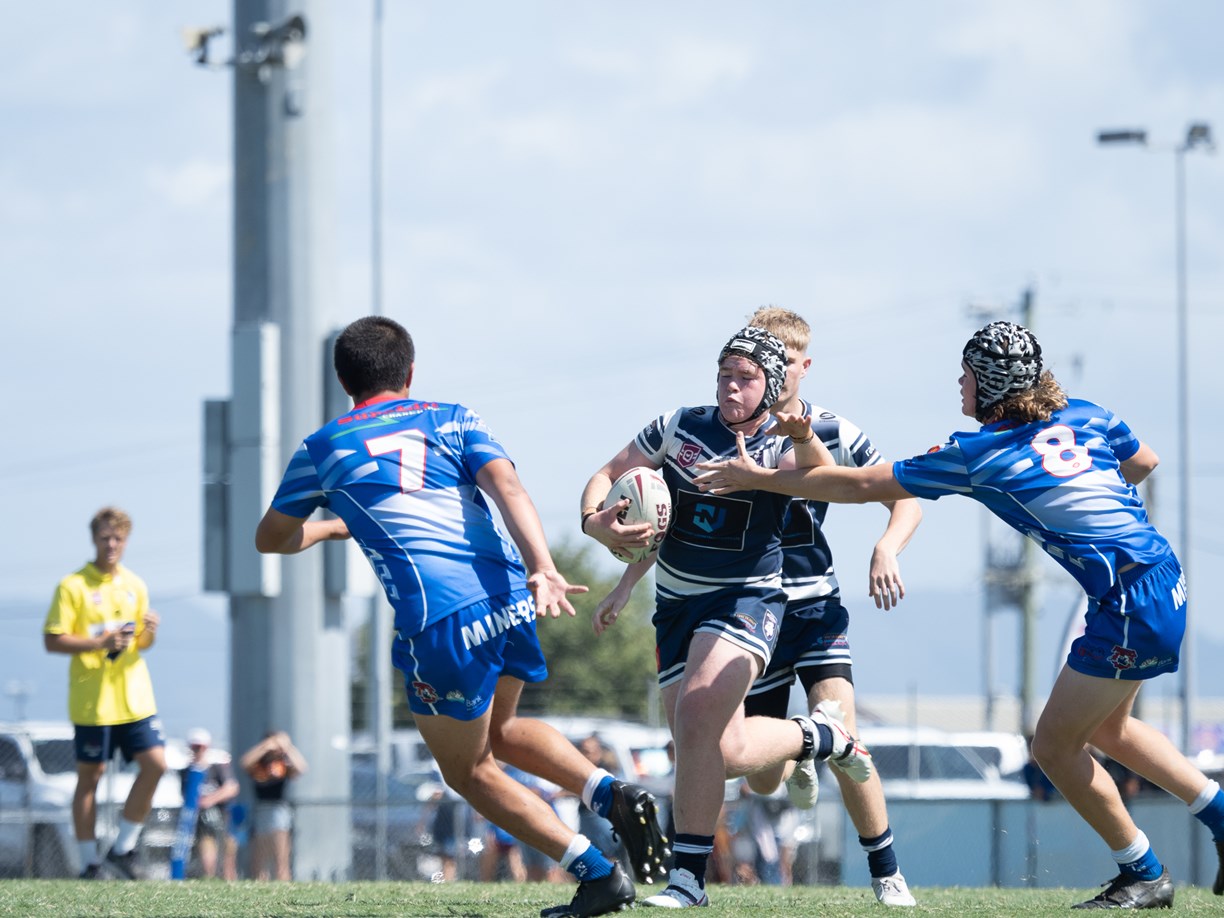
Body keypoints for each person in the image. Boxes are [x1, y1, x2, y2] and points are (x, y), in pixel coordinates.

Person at [694, 319, 1224, 910]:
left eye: (967, 375)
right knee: (1109, 730)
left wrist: (757, 478)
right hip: (1163, 578)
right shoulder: (1087, 412)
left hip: (1125, 602)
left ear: (992, 387)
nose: (958, 383)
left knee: (1053, 747)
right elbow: (1144, 463)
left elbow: (859, 485)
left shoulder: (980, 454)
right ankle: (1220, 819)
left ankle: (1143, 871)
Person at [254, 315, 669, 918]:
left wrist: (330, 526)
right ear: (411, 371)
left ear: (344, 380)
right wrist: (542, 567)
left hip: (441, 619)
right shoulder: (452, 416)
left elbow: (272, 539)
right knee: (502, 730)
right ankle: (610, 792)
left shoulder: (323, 448)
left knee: (469, 772)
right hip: (509, 593)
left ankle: (599, 873)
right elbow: (508, 488)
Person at [581, 325, 874, 909]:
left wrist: (766, 470)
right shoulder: (677, 427)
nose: (731, 388)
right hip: (676, 604)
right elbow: (608, 472)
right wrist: (595, 520)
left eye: (745, 378)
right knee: (710, 743)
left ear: (769, 385)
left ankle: (687, 880)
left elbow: (821, 477)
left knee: (695, 714)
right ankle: (821, 734)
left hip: (747, 599)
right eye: (724, 376)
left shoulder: (783, 437)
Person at [737, 306, 921, 907]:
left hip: (816, 610)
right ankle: (802, 742)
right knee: (761, 778)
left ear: (804, 365)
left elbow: (906, 497)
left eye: (785, 361)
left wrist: (886, 546)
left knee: (849, 741)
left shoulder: (835, 431)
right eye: (763, 360)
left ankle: (887, 873)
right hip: (748, 615)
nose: (773, 370)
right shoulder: (725, 425)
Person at [42, 506, 167, 880]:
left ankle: (123, 848)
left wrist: (150, 631)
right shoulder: (72, 586)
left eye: (118, 538)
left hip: (135, 697)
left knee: (156, 764)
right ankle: (88, 863)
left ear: (126, 542)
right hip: (93, 700)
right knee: (90, 776)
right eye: (105, 537)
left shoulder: (135, 584)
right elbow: (53, 640)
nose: (111, 544)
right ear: (94, 539)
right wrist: (99, 642)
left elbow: (141, 644)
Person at [240, 730, 307, 881]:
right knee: (259, 857)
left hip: (279, 809)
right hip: (260, 809)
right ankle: (261, 884)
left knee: (281, 856)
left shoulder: (284, 762)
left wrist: (287, 747)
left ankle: (283, 883)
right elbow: (244, 763)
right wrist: (264, 746)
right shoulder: (259, 763)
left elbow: (301, 768)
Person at [181, 727, 240, 879]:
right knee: (206, 847)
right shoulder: (187, 771)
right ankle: (210, 878)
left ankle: (230, 881)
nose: (198, 750)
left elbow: (232, 788)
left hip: (224, 816)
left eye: (201, 747)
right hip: (201, 820)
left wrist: (210, 800)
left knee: (228, 851)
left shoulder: (217, 767)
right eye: (195, 747)